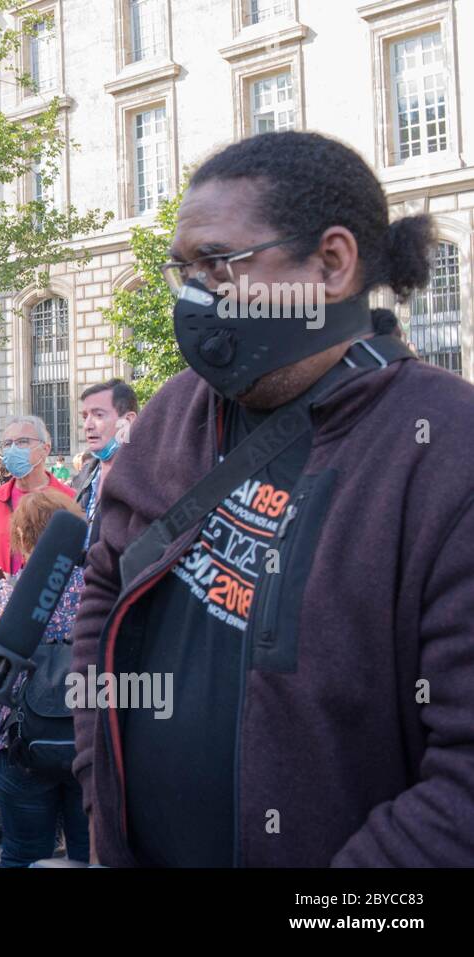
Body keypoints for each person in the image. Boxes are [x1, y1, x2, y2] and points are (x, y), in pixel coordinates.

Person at [72, 130, 474, 867]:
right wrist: (102, 798)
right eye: (182, 270)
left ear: (331, 263)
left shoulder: (447, 447)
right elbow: (104, 582)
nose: (196, 295)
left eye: (219, 265)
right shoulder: (174, 412)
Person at [0, 490, 89, 867]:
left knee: (23, 853)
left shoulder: (0, 598)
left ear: (21, 539)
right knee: (90, 854)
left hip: (19, 740)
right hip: (89, 737)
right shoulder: (99, 593)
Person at [0, 415, 75, 592]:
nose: (13, 449)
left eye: (23, 442)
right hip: (3, 607)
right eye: (8, 444)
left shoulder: (69, 500)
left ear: (45, 449)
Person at [72, 379, 138, 548]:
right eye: (85, 416)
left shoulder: (149, 478)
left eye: (98, 415)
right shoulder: (84, 477)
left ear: (127, 421)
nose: (87, 425)